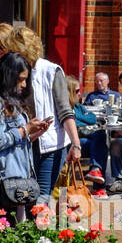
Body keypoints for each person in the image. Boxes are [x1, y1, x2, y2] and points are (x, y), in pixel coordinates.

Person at [0, 52, 44, 223]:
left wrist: (33, 133)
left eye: (26, 79)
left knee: (16, 231)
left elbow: (12, 142)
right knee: (5, 232)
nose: (24, 84)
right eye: (20, 79)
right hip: (0, 178)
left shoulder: (13, 102)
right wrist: (24, 130)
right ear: (9, 77)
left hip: (16, 175)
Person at [14, 28, 79, 197]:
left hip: (49, 145)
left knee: (41, 196)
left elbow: (65, 110)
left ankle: (38, 223)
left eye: (16, 51)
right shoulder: (12, 72)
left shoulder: (51, 70)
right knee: (24, 196)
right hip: (22, 142)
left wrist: (76, 144)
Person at [71, 76, 109, 184]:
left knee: (100, 139)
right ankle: (99, 187)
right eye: (77, 91)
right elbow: (73, 123)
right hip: (74, 142)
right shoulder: (66, 107)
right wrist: (83, 119)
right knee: (101, 145)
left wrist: (79, 118)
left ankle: (95, 170)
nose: (80, 94)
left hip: (86, 138)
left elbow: (92, 118)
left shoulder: (78, 106)